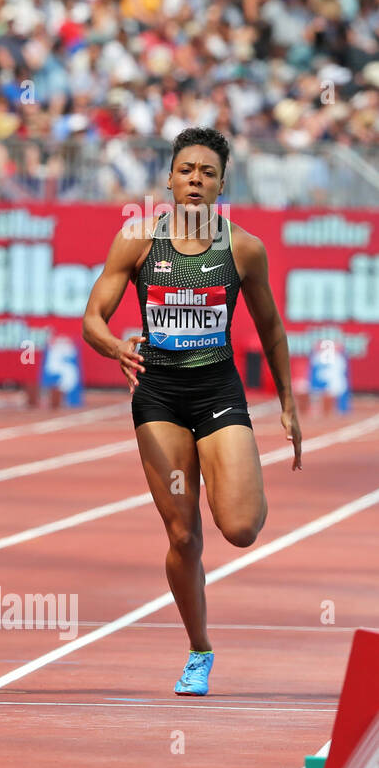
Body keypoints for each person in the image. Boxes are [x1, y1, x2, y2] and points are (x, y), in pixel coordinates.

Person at [82, 126, 302, 696]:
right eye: (186, 170)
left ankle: (235, 474)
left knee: (241, 527)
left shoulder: (243, 248)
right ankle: (199, 649)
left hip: (217, 392)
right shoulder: (136, 240)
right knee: (183, 536)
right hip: (158, 396)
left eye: (207, 172)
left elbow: (272, 330)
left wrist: (287, 404)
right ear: (171, 179)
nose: (196, 180)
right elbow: (92, 320)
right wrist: (115, 347)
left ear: (222, 182)